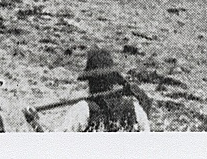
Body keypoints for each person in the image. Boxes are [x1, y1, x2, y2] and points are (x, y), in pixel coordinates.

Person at [24, 48, 153, 132]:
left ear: (91, 81)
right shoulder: (134, 109)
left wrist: (34, 122)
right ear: (114, 80)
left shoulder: (82, 110)